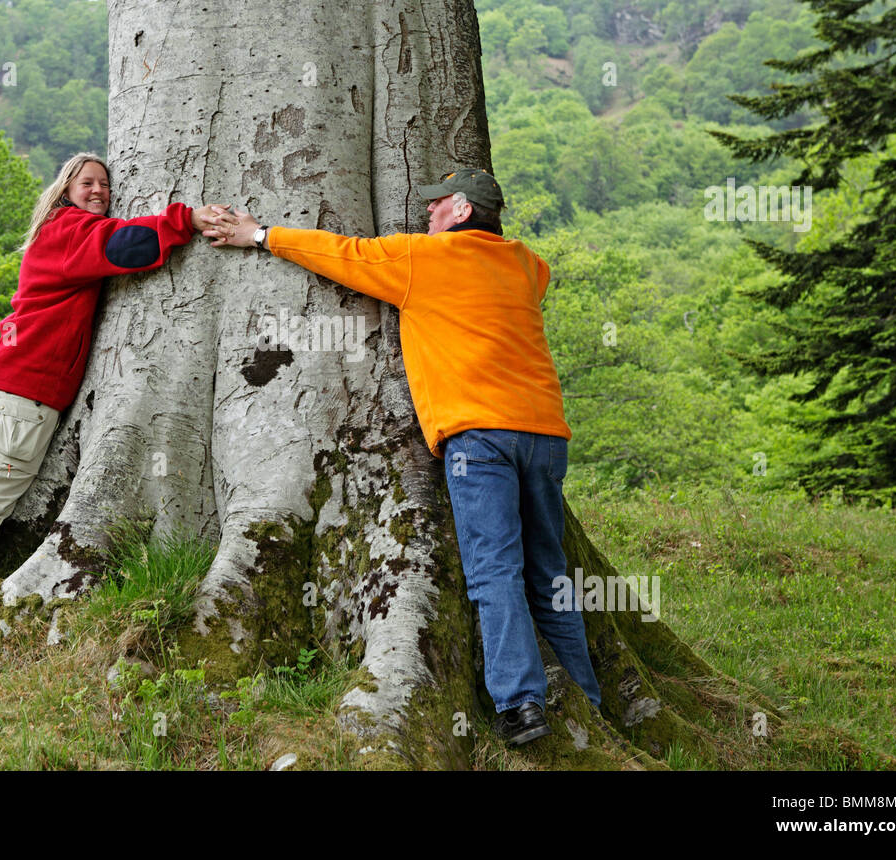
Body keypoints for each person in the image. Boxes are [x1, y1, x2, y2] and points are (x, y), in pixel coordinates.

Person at [202, 168, 602, 746]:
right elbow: (536, 280)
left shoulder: (424, 259)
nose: (428, 214)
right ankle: (588, 699)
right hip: (543, 434)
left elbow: (346, 254)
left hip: (478, 436)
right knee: (549, 573)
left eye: (438, 205)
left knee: (495, 571)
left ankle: (521, 704)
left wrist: (260, 234)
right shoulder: (525, 264)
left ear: (462, 210)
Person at [0, 152, 228, 612]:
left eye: (105, 183)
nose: (99, 190)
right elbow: (123, 246)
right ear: (66, 190)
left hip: (21, 382)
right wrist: (187, 218)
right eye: (88, 183)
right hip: (26, 386)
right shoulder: (67, 230)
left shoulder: (63, 231)